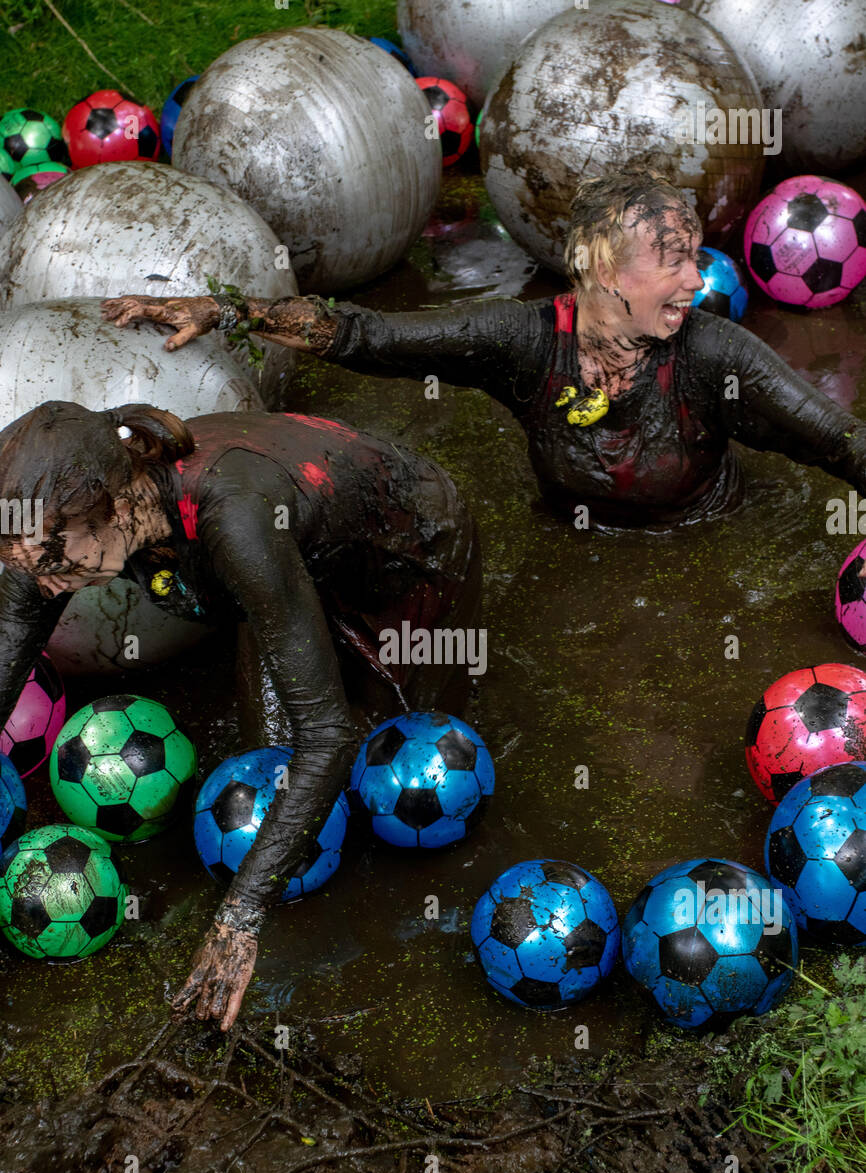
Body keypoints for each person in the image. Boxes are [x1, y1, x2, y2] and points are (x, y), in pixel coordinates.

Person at [0, 402, 480, 1028]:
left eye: (54, 564)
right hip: (280, 569)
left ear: (116, 509)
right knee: (271, 771)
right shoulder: (47, 533)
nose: (45, 584)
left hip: (403, 548)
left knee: (404, 765)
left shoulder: (235, 520)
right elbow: (13, 641)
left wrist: (238, 919)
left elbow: (327, 736)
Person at [102, 164, 866, 530]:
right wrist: (228, 310)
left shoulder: (714, 355)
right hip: (573, 539)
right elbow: (369, 334)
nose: (696, 282)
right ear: (602, 268)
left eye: (697, 257)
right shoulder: (523, 342)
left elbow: (838, 440)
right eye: (673, 258)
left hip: (704, 542)